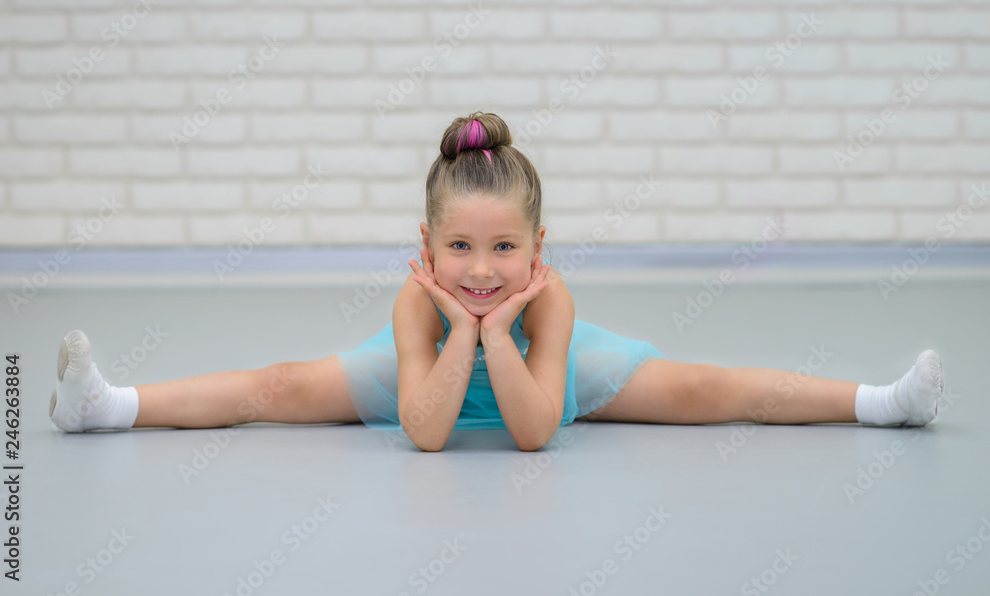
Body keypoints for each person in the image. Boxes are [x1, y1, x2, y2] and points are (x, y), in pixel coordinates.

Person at [48, 111, 946, 452]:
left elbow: (534, 433)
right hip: (424, 379)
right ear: (426, 246)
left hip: (556, 377)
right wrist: (463, 330)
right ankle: (109, 407)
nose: (481, 270)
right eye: (460, 248)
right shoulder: (417, 301)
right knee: (276, 386)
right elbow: (426, 434)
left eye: (504, 248)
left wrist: (496, 331)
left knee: (708, 388)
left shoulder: (551, 299)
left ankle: (880, 404)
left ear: (538, 248)